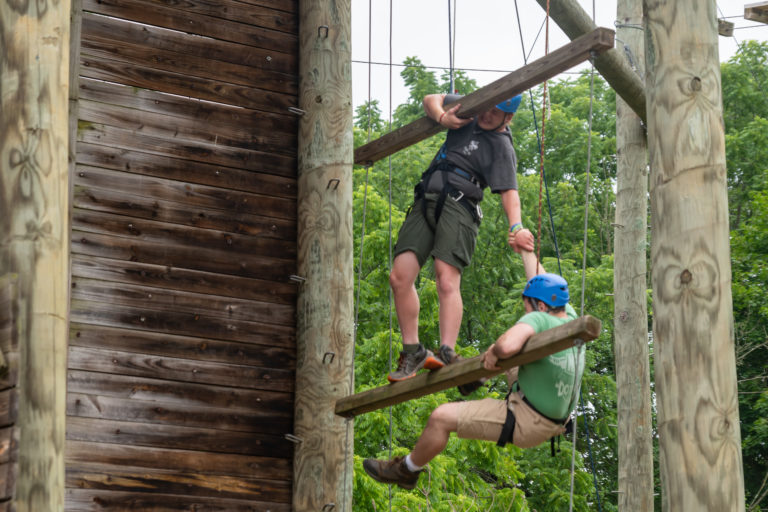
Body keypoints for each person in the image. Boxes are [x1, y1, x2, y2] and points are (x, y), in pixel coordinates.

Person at [363, 251, 584, 490]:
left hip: (527, 420)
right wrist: (525, 249)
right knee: (519, 347)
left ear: (540, 306)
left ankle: (406, 470)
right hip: (553, 414)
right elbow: (543, 279)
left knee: (440, 418)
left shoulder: (539, 319)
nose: (526, 313)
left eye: (527, 308)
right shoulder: (568, 317)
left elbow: (507, 345)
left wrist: (495, 353)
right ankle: (477, 377)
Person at [387, 93, 535, 382]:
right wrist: (443, 117)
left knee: (445, 277)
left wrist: (516, 226)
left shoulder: (501, 146)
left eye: (496, 111)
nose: (487, 114)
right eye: (487, 106)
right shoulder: (471, 108)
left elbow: (509, 193)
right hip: (426, 198)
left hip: (459, 204)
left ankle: (446, 350)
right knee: (399, 277)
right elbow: (431, 98)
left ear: (509, 118)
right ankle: (413, 351)